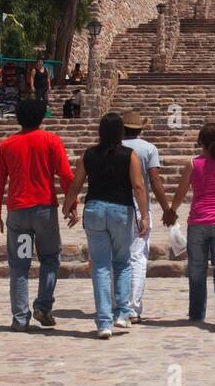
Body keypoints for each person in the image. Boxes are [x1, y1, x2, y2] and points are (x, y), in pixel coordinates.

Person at [0, 98, 74, 332]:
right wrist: (72, 204)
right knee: (49, 258)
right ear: (40, 118)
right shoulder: (51, 141)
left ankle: (20, 318)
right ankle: (43, 305)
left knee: (20, 265)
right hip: (44, 212)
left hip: (19, 215)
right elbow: (66, 175)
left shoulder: (7, 145)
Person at [61, 113, 149, 339]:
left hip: (95, 210)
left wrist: (67, 206)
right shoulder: (130, 156)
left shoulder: (88, 155)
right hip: (121, 211)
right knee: (122, 262)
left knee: (100, 266)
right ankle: (122, 313)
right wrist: (145, 216)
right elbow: (138, 187)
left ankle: (103, 322)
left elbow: (76, 184)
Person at [164, 123, 215, 330]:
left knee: (197, 268)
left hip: (198, 221)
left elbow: (181, 193)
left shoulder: (193, 164)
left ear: (201, 142)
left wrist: (172, 210)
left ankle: (197, 312)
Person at [120, 110, 172, 323]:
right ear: (141, 129)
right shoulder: (148, 149)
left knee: (118, 256)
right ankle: (132, 306)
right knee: (138, 256)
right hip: (140, 205)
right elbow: (154, 181)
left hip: (116, 203)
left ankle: (119, 304)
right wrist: (166, 208)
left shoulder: (116, 147)